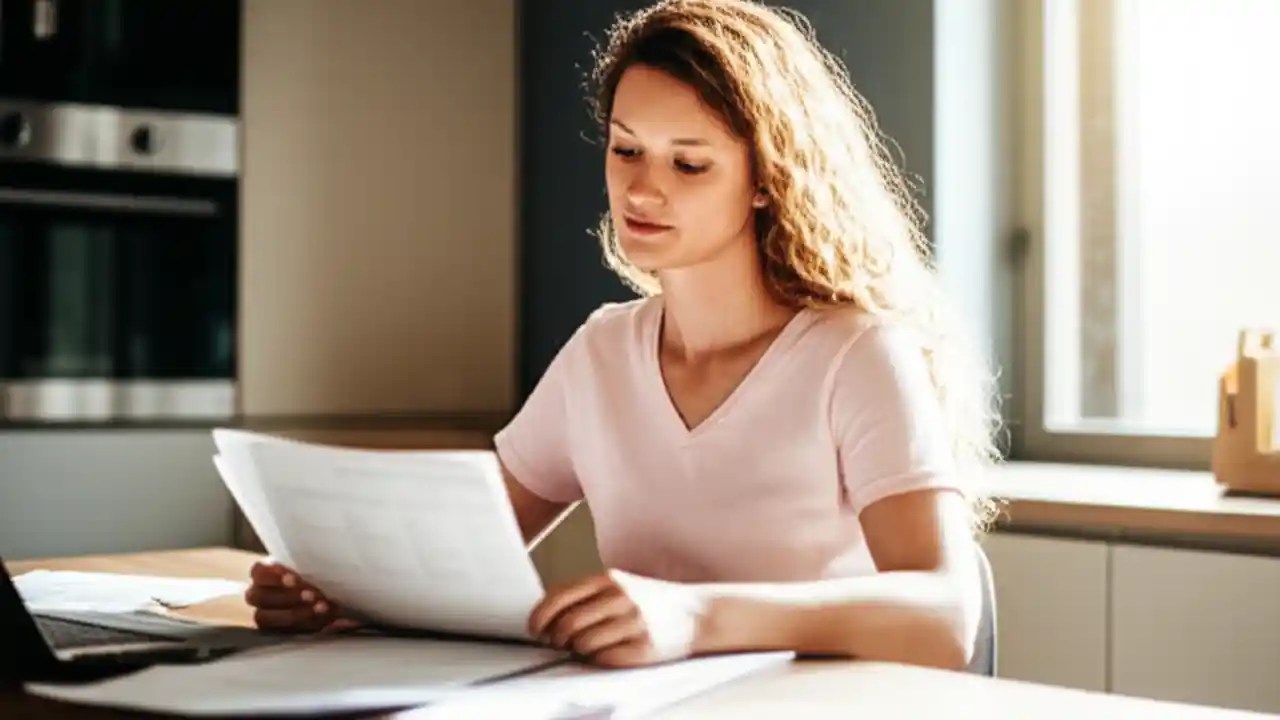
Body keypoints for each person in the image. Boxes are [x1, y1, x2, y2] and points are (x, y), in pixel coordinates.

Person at [244, 0, 1001, 671]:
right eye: (626, 148)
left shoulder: (855, 354)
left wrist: (698, 617)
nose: (642, 188)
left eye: (690, 163)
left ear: (768, 179)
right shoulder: (602, 355)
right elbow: (449, 562)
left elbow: (945, 619)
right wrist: (343, 591)